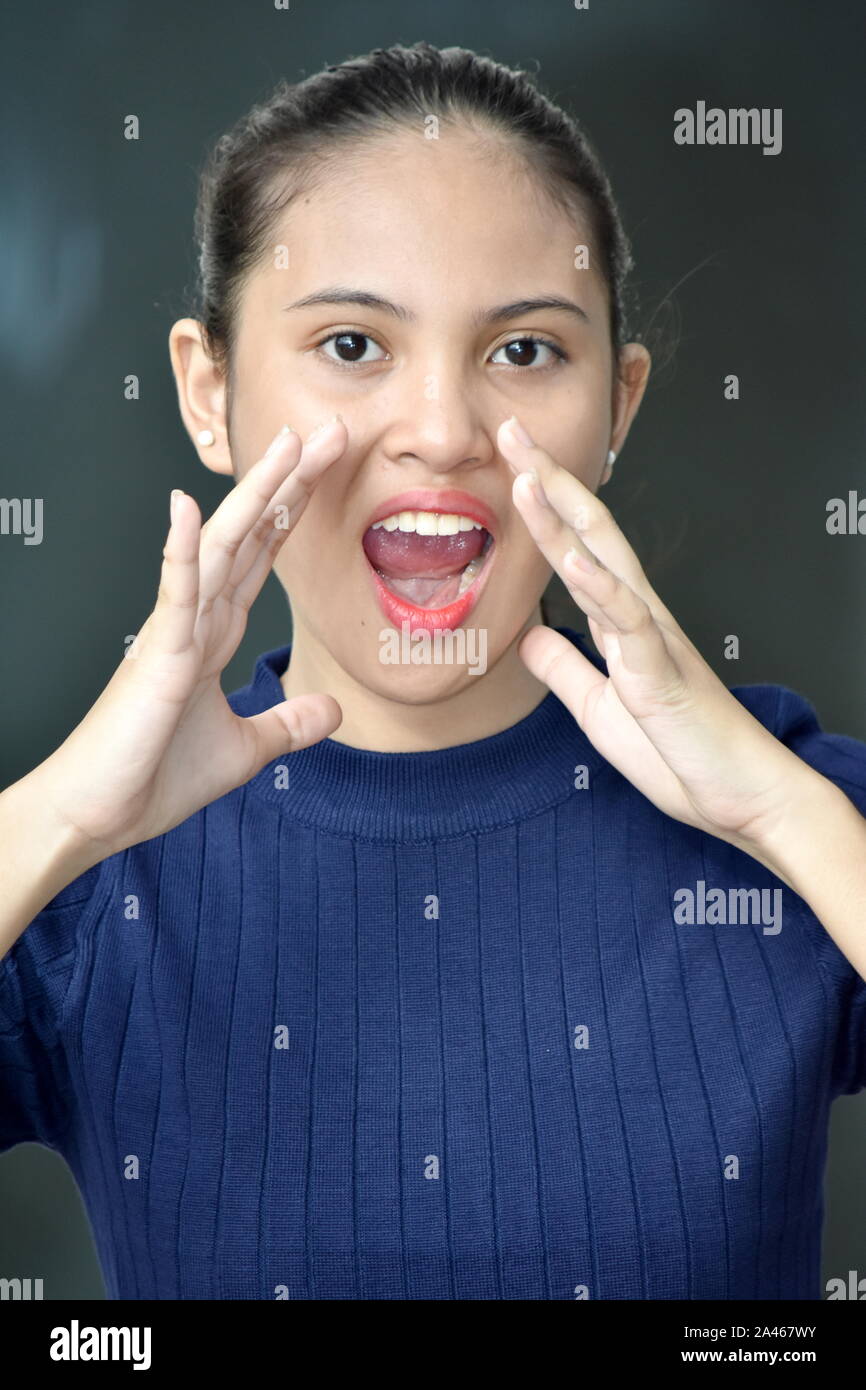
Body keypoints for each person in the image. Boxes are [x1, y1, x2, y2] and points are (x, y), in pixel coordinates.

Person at [2, 41, 865, 1302]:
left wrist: (788, 820)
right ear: (207, 390)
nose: (444, 431)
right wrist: (60, 820)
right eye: (352, 343)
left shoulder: (793, 814)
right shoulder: (84, 879)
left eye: (522, 352)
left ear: (615, 408)